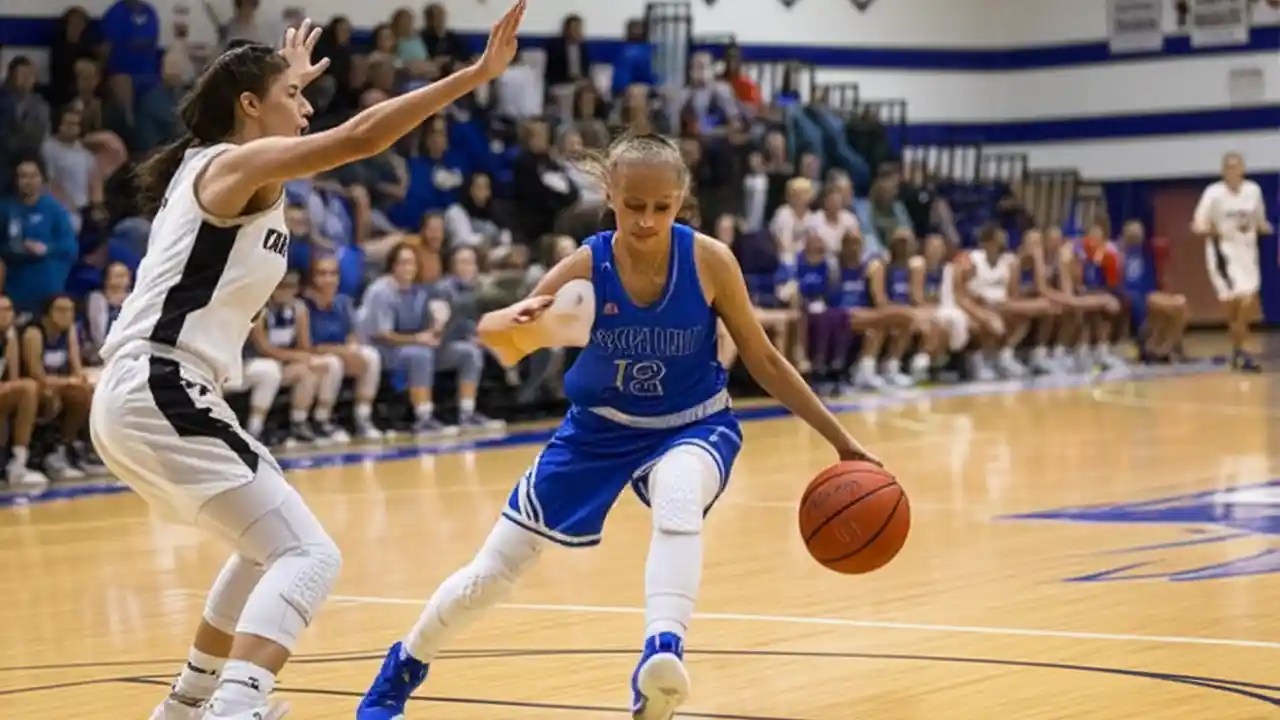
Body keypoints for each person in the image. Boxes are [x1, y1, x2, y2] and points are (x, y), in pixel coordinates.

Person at [86, 6, 527, 720]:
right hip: (158, 383)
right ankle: (238, 704)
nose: (308, 106)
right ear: (248, 106)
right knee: (310, 556)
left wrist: (283, 79)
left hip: (151, 391)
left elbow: (289, 122)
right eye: (293, 96)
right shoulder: (232, 164)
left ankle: (188, 704)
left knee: (264, 548)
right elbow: (361, 137)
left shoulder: (222, 167)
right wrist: (473, 75)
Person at [354, 133, 879, 720]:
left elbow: (765, 360)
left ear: (680, 200)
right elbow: (500, 339)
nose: (647, 220)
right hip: (597, 431)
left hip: (694, 423)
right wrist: (521, 322)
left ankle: (662, 655)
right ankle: (402, 667)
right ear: (610, 194)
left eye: (661, 207)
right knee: (493, 574)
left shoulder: (709, 261)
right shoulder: (587, 265)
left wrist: (842, 440)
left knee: (679, 494)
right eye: (634, 206)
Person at [1191, 152, 1272, 372]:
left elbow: (1260, 221)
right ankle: (1240, 351)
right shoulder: (1213, 193)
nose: (1232, 172)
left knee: (1247, 304)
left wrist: (1266, 228)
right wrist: (1209, 229)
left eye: (1236, 167)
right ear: (1223, 171)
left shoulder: (1253, 191)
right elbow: (1197, 224)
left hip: (1248, 254)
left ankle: (1238, 351)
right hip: (1223, 256)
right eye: (1228, 168)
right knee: (1236, 304)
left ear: (1242, 169)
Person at [21, 294, 103, 480]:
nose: (66, 315)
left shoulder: (69, 331)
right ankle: (39, 454)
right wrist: (69, 382)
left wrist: (80, 379)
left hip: (58, 383)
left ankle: (67, 449)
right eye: (61, 310)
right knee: (54, 396)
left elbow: (76, 368)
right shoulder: (34, 333)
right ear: (47, 313)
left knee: (85, 393)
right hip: (37, 386)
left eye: (70, 310)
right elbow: (36, 374)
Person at [303, 255, 384, 440]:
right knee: (333, 363)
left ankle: (363, 417)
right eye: (322, 274)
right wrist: (341, 351)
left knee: (371, 356)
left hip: (340, 353)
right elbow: (307, 346)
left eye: (333, 274)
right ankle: (322, 420)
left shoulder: (343, 302)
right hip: (313, 356)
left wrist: (352, 347)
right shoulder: (305, 306)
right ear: (312, 278)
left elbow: (352, 335)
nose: (328, 279)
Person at [1117, 220, 1189, 362]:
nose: (1136, 236)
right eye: (1132, 233)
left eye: (1138, 233)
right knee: (1174, 306)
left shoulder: (1147, 252)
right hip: (1135, 296)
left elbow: (1159, 276)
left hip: (1149, 293)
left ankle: (1167, 347)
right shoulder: (1119, 253)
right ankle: (1160, 347)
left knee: (1180, 307)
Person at [0, 294, 48, 489]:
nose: (5, 314)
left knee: (28, 390)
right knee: (26, 388)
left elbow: (13, 378)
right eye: (1, 310)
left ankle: (17, 463)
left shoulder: (9, 336)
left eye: (8, 309)